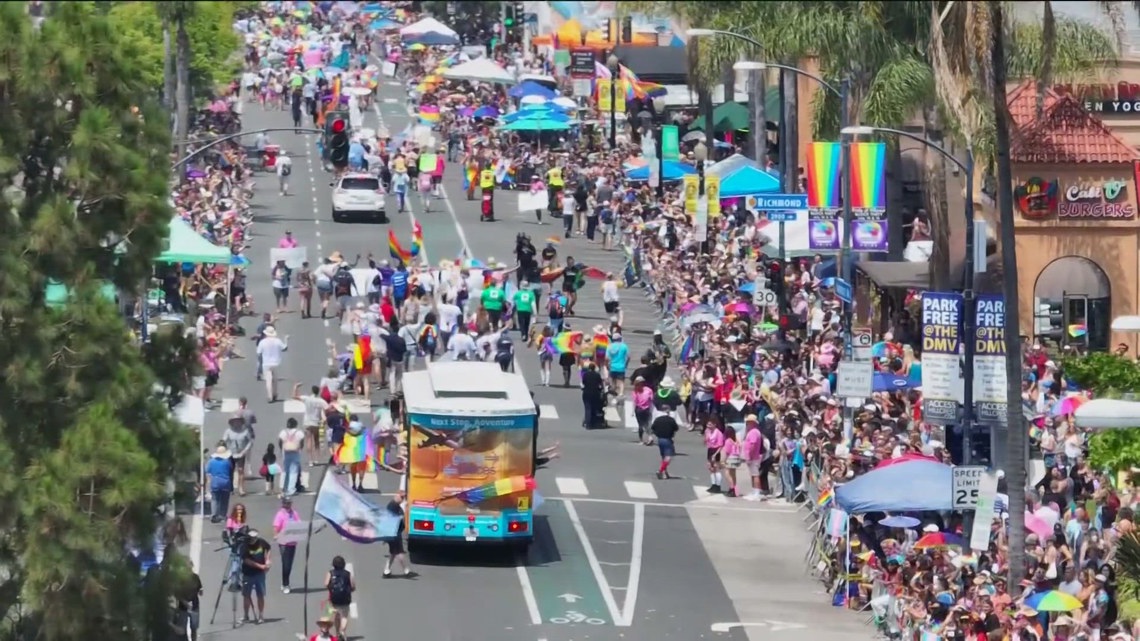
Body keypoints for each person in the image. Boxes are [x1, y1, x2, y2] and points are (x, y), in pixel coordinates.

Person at [240, 529, 271, 624]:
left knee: (260, 595)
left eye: (255, 537)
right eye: (252, 538)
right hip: (248, 574)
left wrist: (268, 560)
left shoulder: (261, 542)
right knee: (246, 595)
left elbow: (268, 548)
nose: (254, 539)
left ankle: (261, 615)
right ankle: (246, 615)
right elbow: (247, 560)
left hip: (260, 575)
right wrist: (261, 566)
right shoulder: (244, 546)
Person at [383, 490, 416, 578]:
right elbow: (390, 520)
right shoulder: (392, 506)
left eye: (404, 497)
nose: (402, 499)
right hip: (394, 534)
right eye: (401, 497)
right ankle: (406, 571)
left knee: (393, 552)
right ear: (396, 496)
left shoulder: (395, 505)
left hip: (395, 533)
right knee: (399, 553)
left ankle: (387, 570)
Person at [273, 497, 300, 593]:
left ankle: (285, 582)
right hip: (284, 542)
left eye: (290, 503)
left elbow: (299, 524)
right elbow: (276, 526)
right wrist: (276, 535)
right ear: (283, 504)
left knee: (290, 563)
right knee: (286, 563)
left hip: (292, 542)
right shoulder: (280, 514)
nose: (289, 505)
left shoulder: (294, 513)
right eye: (287, 503)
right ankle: (285, 584)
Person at [325, 555, 355, 640]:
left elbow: (326, 584)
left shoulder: (330, 573)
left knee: (336, 615)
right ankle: (342, 631)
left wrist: (331, 589)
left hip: (334, 598)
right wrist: (350, 590)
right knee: (344, 616)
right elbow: (353, 586)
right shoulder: (347, 574)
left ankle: (337, 633)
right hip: (345, 598)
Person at [256, 326, 288, 403]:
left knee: (268, 380)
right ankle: (275, 394)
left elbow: (259, 353)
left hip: (266, 363)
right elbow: (284, 348)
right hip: (276, 362)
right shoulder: (278, 341)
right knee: (275, 380)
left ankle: (269, 396)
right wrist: (286, 340)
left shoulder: (262, 342)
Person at [278, 417, 305, 497]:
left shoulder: (283, 432)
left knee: (285, 470)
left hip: (286, 452)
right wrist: (300, 448)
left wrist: (281, 448)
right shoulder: (299, 432)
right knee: (294, 471)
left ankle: (284, 487)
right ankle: (291, 489)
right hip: (295, 452)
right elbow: (302, 442)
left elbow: (280, 442)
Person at [206, 445, 233, 524]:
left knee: (215, 499)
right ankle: (222, 515)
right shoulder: (227, 462)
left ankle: (214, 514)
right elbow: (230, 470)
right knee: (224, 500)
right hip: (225, 482)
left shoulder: (211, 461)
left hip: (215, 482)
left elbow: (208, 472)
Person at [651, 408, 680, 479]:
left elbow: (653, 428)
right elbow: (676, 428)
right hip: (668, 439)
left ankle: (665, 472)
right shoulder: (671, 420)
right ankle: (660, 470)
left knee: (663, 456)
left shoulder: (657, 419)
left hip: (660, 439)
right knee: (668, 457)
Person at [581, 361, 605, 429]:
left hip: (586, 393)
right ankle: (593, 422)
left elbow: (583, 382)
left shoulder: (586, 374)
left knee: (587, 408)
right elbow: (600, 383)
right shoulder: (597, 375)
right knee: (594, 407)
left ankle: (588, 423)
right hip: (595, 393)